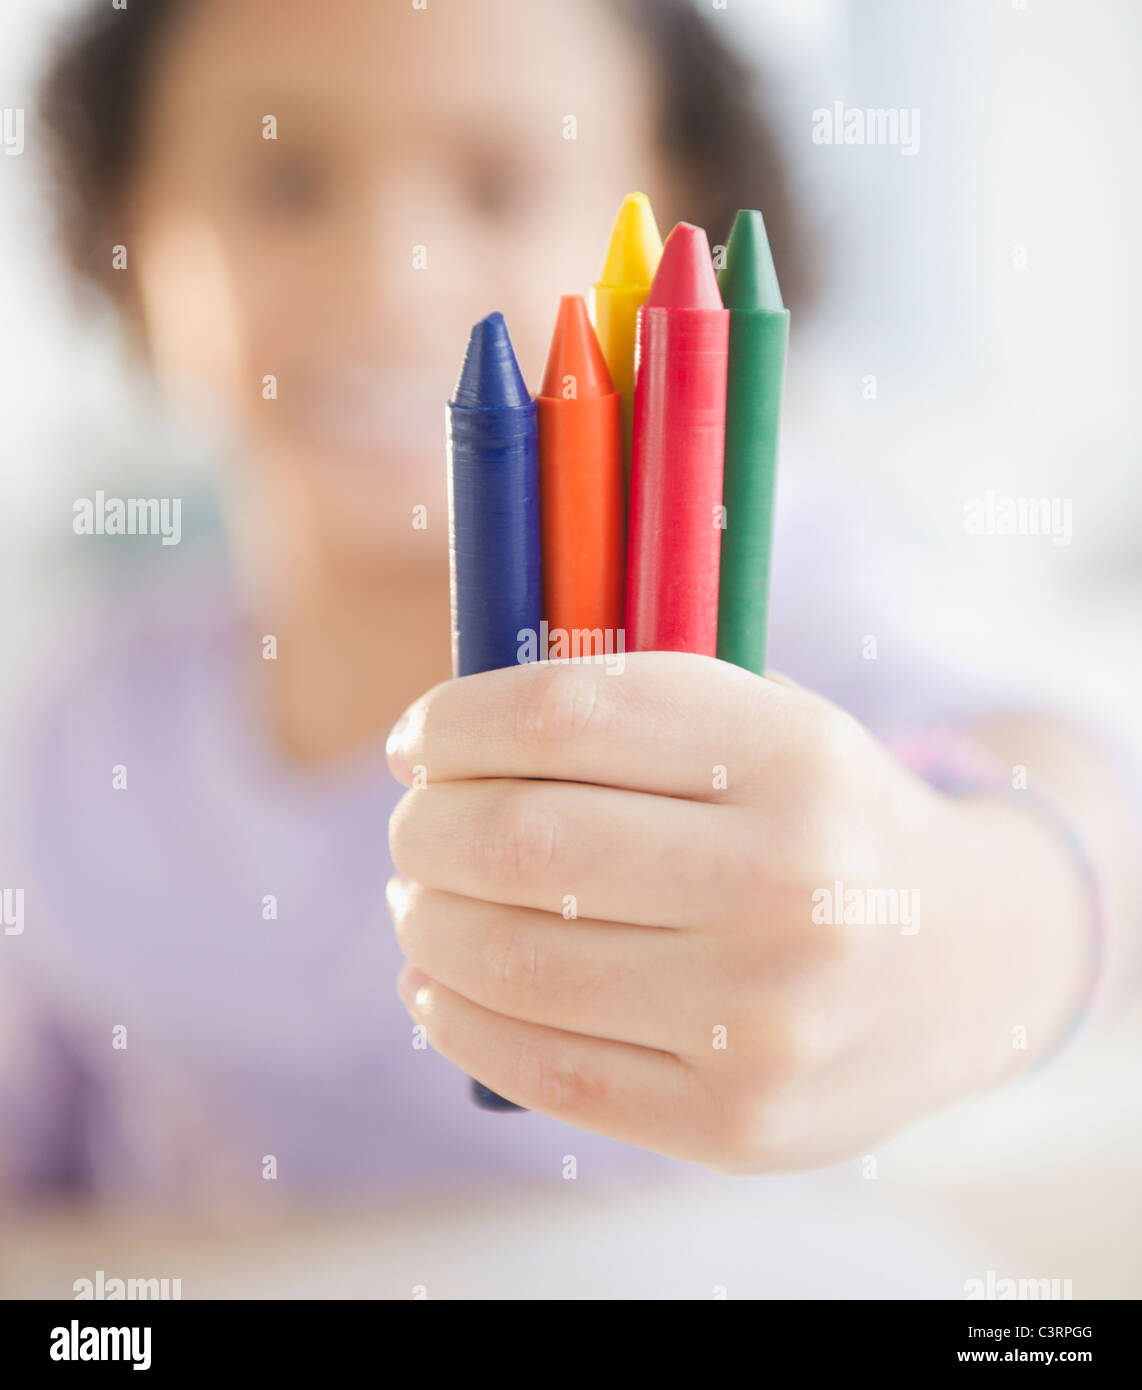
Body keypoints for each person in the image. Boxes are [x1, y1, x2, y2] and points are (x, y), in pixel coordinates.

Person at [1, 0, 1137, 1210]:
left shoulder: (753, 616)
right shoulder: (80, 729)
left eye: (500, 184)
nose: (389, 278)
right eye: (284, 182)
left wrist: (976, 926)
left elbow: (1072, 801)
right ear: (127, 229)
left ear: (667, 235)